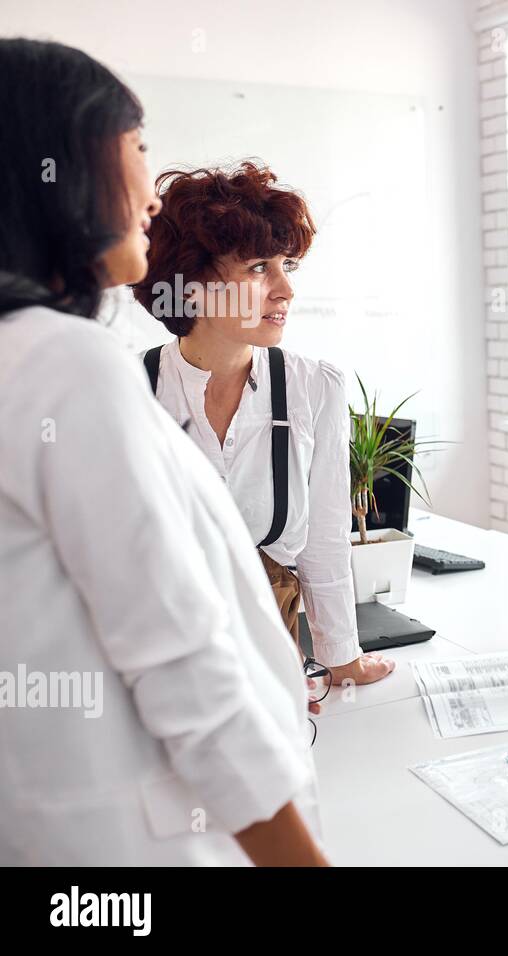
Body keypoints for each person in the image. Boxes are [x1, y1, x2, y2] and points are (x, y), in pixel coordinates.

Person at [0, 38, 327, 865]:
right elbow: (183, 666)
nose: (151, 190)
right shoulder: (67, 367)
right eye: (137, 147)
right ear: (58, 164)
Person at [133, 162, 394, 686]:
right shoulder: (127, 389)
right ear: (192, 285)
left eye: (287, 267)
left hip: (273, 671)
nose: (285, 291)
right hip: (150, 675)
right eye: (258, 268)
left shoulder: (314, 388)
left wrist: (340, 658)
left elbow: (323, 541)